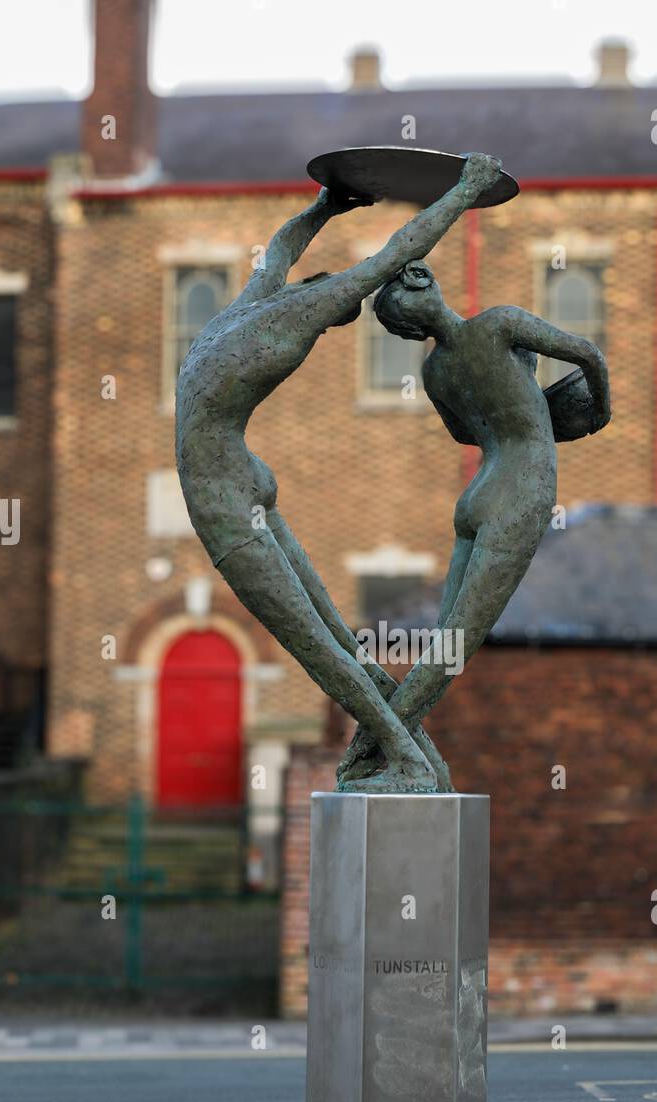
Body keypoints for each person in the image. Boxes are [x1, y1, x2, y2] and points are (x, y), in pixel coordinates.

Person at [176, 154, 503, 793]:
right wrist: (324, 207)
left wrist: (464, 193)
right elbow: (281, 248)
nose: (328, 283)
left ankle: (407, 760)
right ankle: (416, 752)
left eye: (331, 289)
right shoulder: (258, 303)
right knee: (330, 636)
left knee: (322, 647)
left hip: (222, 491)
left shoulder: (274, 314)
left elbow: (386, 254)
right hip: (239, 477)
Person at [338, 258, 610, 783]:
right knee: (454, 644)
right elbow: (589, 355)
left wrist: (514, 401)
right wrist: (595, 411)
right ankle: (372, 753)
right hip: (520, 486)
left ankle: (399, 756)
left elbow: (466, 434)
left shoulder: (434, 370)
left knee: (446, 640)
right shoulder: (500, 324)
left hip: (478, 491)